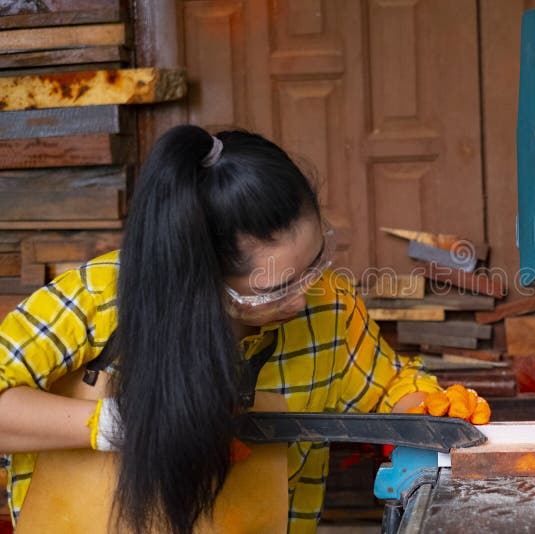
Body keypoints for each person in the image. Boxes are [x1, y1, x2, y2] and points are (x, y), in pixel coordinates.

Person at [0, 125, 489, 534]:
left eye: (315, 263)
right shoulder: (99, 298)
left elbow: (385, 385)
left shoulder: (328, 305)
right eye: (275, 289)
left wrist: (424, 407)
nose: (302, 297)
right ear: (200, 277)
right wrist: (124, 426)